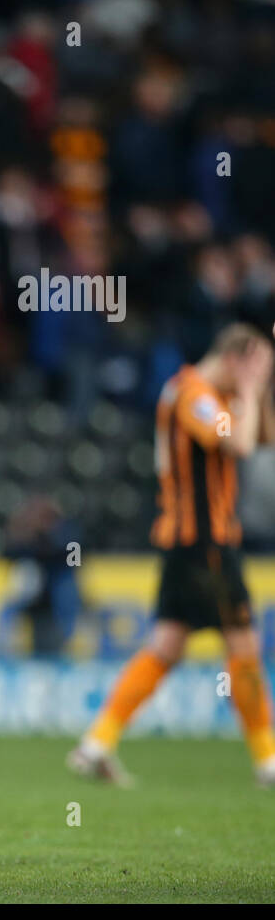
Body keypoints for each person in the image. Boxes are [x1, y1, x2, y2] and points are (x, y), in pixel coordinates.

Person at [68, 323, 275, 786]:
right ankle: (268, 760)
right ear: (235, 358)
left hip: (191, 542)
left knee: (165, 646)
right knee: (243, 647)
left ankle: (95, 743)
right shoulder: (195, 393)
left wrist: (252, 394)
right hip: (205, 542)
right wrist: (250, 386)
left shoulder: (204, 395)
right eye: (258, 365)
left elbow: (264, 437)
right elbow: (239, 444)